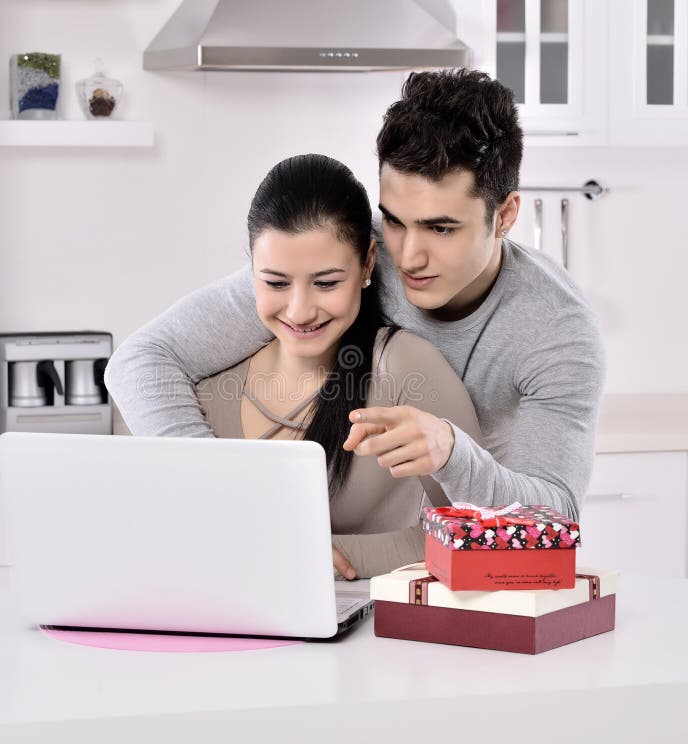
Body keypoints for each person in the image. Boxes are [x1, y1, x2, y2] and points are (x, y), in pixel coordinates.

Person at [104, 69, 604, 554]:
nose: (407, 256)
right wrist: (216, 483)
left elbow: (553, 523)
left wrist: (452, 452)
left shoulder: (556, 332)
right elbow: (143, 360)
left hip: (485, 562)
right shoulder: (354, 256)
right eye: (394, 221)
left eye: (441, 229)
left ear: (506, 215)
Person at [192, 153, 482, 579]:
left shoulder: (403, 369)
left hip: (376, 635)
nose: (300, 310)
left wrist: (303, 555)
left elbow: (481, 533)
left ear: (366, 264)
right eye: (275, 282)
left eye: (326, 283)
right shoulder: (207, 390)